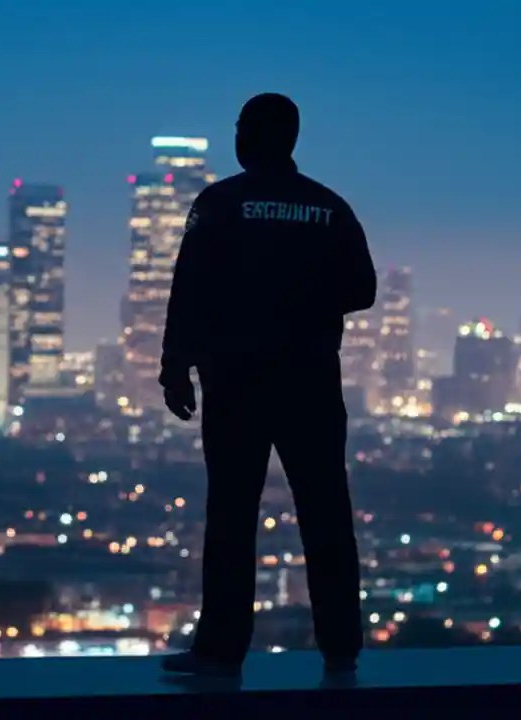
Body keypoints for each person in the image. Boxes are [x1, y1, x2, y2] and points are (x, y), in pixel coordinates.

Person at [158, 93, 377, 679]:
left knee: (231, 514)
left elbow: (189, 288)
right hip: (309, 380)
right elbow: (363, 289)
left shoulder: (220, 203)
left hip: (235, 381)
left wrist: (175, 364)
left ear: (248, 137)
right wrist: (301, 299)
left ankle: (220, 650)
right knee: (326, 512)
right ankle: (341, 648)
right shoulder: (328, 208)